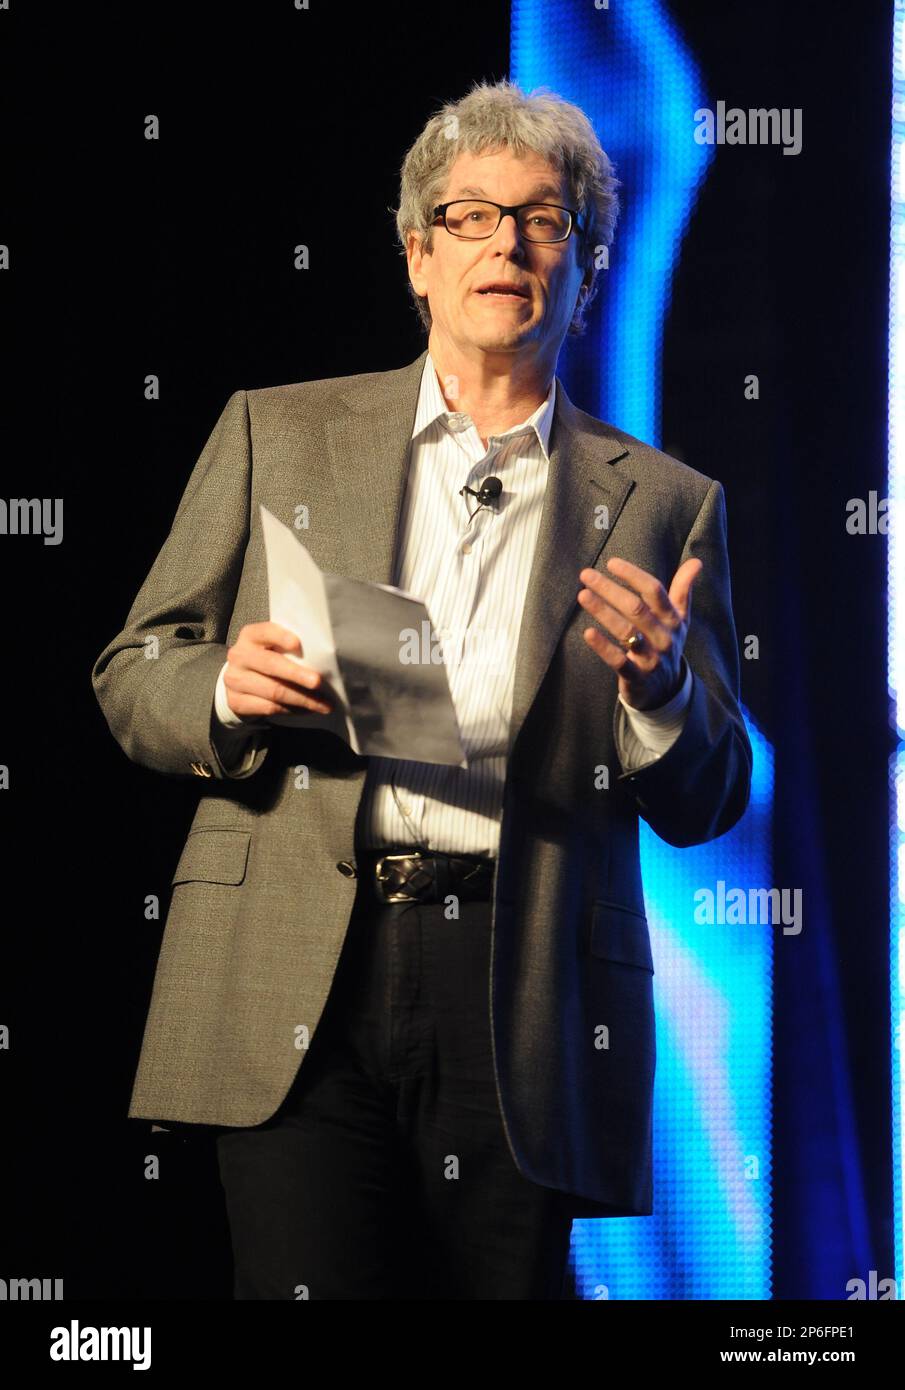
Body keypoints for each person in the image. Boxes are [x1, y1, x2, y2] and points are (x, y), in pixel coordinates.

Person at [92, 78, 751, 1300]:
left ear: (586, 266)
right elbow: (134, 672)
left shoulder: (663, 501)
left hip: (523, 979)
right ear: (415, 255)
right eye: (470, 215)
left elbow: (711, 797)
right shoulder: (273, 434)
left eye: (543, 220)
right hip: (296, 957)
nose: (506, 243)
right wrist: (228, 692)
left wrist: (659, 691)